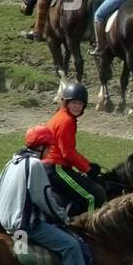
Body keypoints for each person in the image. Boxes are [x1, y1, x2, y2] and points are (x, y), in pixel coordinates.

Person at [0, 125, 108, 265]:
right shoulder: (35, 165)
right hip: (28, 228)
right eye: (48, 147)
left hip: (8, 226)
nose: (49, 151)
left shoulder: (12, 162)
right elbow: (43, 198)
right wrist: (63, 218)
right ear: (41, 147)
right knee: (71, 245)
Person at [42, 82, 106, 216]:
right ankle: (89, 231)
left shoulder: (63, 116)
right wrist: (87, 169)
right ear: (67, 103)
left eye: (80, 104)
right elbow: (67, 153)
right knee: (94, 195)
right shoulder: (66, 121)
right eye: (74, 103)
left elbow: (70, 149)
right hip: (55, 168)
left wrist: (88, 164)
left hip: (55, 165)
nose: (77, 107)